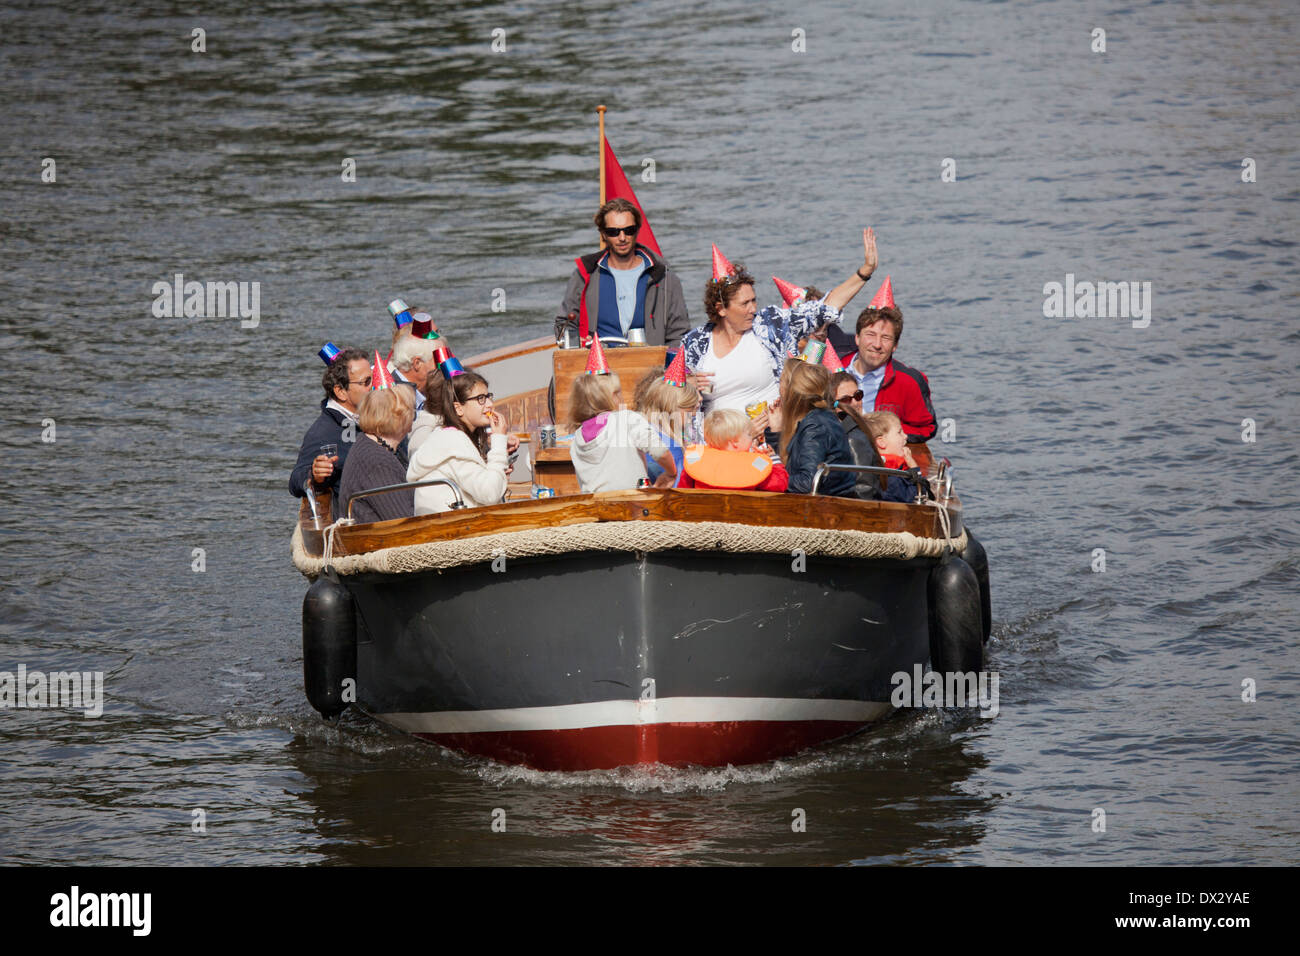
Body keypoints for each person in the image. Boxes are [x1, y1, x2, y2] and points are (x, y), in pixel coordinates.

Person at [678, 230, 879, 443]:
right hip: (718, 443)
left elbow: (824, 308)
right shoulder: (694, 343)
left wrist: (864, 272)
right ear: (721, 309)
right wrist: (688, 385)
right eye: (745, 304)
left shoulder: (770, 326)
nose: (753, 309)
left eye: (754, 301)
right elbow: (672, 401)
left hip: (770, 438)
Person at [555, 198, 690, 347]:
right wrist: (574, 343)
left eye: (629, 230)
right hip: (596, 367)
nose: (622, 238)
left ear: (637, 230)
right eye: (613, 232)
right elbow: (564, 325)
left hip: (651, 366)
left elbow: (679, 334)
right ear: (603, 234)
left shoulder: (665, 277)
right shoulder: (584, 275)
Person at [829, 286, 937, 444]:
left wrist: (883, 430)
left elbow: (927, 428)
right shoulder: (832, 370)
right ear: (857, 338)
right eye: (870, 335)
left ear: (895, 345)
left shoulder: (910, 381)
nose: (877, 344)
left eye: (886, 338)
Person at [407, 369, 511, 514]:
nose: (489, 404)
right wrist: (499, 440)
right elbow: (490, 494)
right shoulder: (452, 443)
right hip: (454, 531)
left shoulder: (447, 436)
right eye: (480, 398)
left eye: (488, 396)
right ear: (458, 408)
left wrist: (497, 469)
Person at [289, 347, 371, 517]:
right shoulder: (323, 433)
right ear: (340, 392)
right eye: (366, 382)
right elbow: (295, 481)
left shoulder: (368, 415)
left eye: (373, 378)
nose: (374, 386)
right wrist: (314, 474)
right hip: (357, 523)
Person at [568, 373, 677, 492]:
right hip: (631, 503)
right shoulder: (626, 419)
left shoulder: (577, 438)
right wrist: (671, 473)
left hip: (595, 506)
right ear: (612, 396)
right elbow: (660, 451)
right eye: (618, 392)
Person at [337, 381, 417, 524]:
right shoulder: (377, 461)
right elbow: (402, 520)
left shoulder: (371, 444)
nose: (414, 416)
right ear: (398, 418)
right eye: (412, 411)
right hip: (375, 542)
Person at [778, 360, 856, 497]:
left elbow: (807, 482)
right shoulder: (816, 418)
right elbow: (792, 466)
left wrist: (772, 480)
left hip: (830, 509)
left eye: (782, 382)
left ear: (793, 392)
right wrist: (775, 432)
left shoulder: (815, 425)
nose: (780, 389)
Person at [679, 408, 789, 492]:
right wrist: (773, 460)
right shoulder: (756, 462)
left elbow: (683, 488)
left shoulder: (697, 457)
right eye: (749, 434)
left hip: (703, 516)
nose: (752, 437)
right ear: (735, 441)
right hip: (741, 518)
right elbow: (780, 485)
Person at [632, 366, 701, 487]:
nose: (693, 415)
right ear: (674, 408)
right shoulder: (672, 448)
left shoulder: (641, 428)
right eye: (691, 411)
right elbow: (678, 488)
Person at [831, 371, 882, 501]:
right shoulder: (854, 438)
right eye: (846, 399)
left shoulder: (855, 430)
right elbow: (864, 490)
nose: (855, 403)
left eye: (858, 396)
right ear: (832, 405)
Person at [861, 410, 929, 503]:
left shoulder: (873, 465)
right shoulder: (891, 479)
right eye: (899, 432)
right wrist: (914, 468)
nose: (905, 436)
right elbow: (919, 496)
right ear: (881, 442)